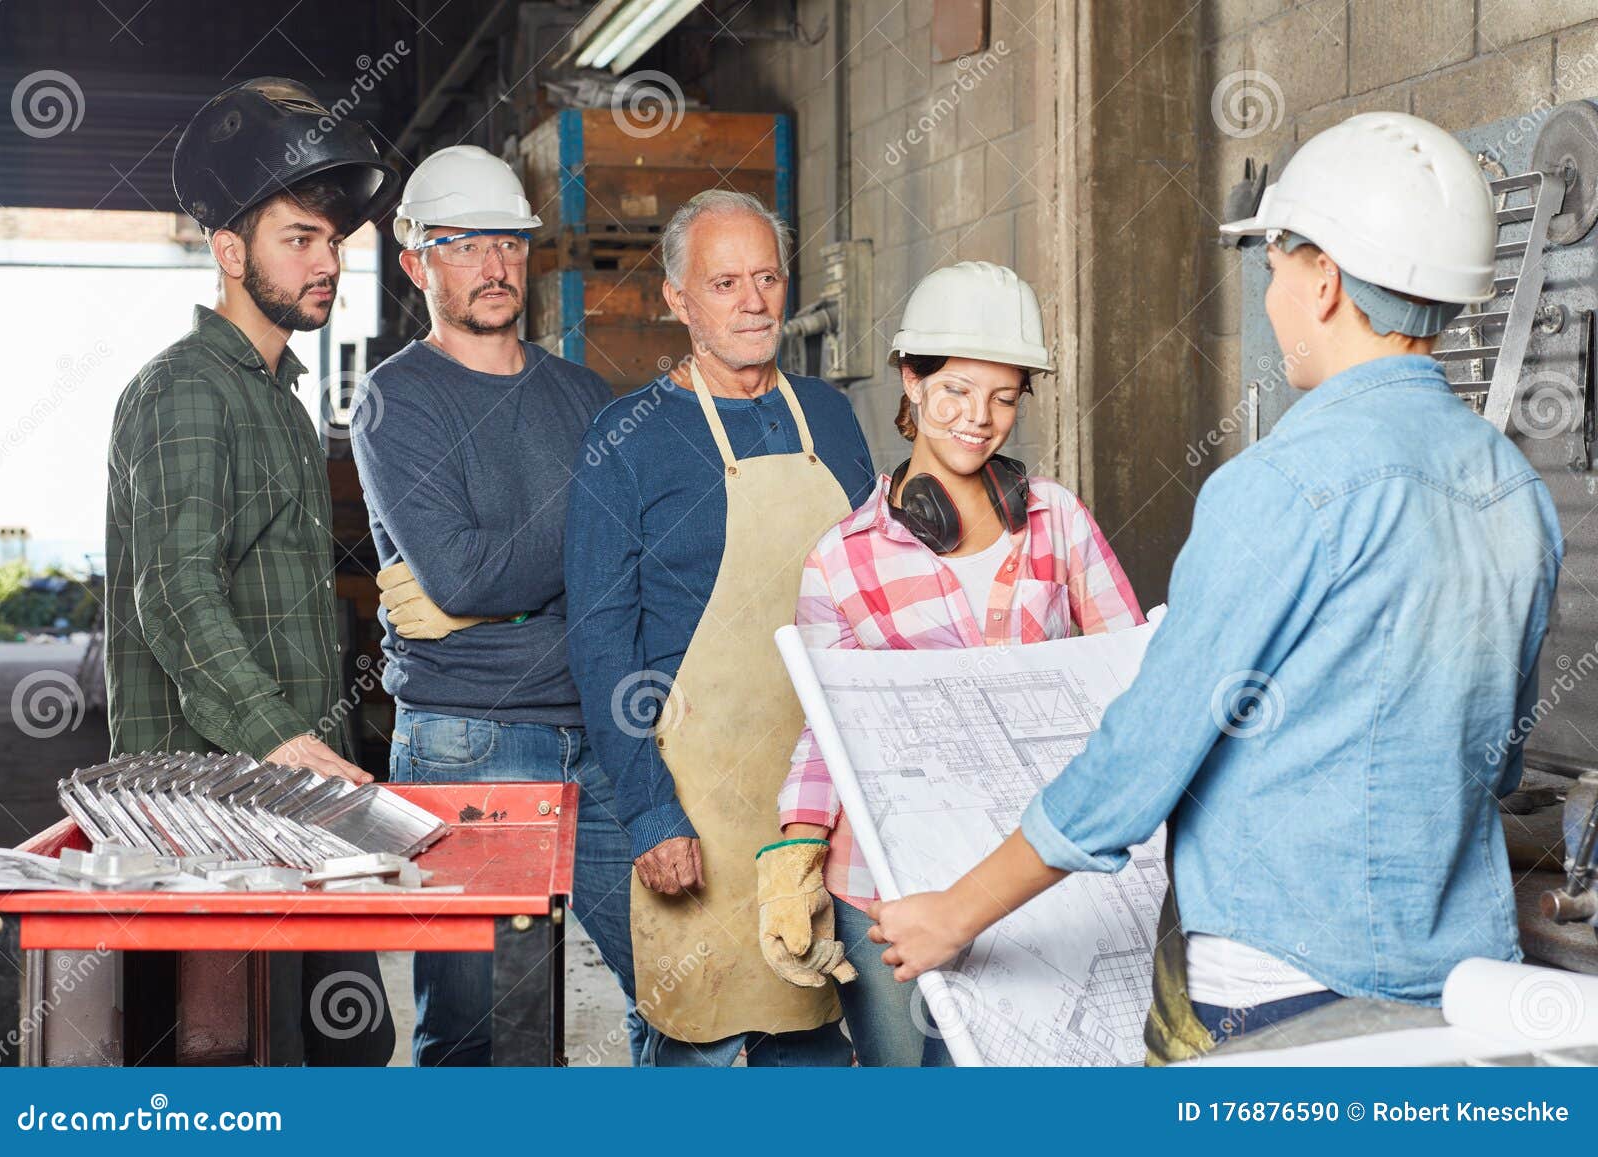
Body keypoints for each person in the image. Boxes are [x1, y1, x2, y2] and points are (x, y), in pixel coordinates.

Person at [867, 112, 1564, 1062]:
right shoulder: (1517, 492)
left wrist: (955, 912)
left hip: (1276, 1000)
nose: (1270, 294)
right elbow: (1500, 760)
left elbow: (1141, 760)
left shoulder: (1280, 484)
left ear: (1324, 281)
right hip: (1457, 992)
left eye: (1274, 265)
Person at [763, 262, 1144, 1065]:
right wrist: (796, 852)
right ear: (912, 379)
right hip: (887, 878)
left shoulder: (1058, 522)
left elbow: (1135, 676)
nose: (981, 419)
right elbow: (823, 726)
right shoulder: (843, 558)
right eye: (958, 391)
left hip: (1036, 871)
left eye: (1005, 398)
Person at [106, 78, 402, 1064]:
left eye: (333, 240)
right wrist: (280, 734)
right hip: (203, 821)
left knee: (344, 1049)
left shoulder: (282, 399)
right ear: (229, 252)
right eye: (299, 238)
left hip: (296, 813)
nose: (328, 262)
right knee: (217, 1069)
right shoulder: (184, 391)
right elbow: (175, 593)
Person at [565, 190, 874, 1066]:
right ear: (677, 299)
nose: (753, 301)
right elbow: (599, 646)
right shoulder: (624, 442)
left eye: (767, 277)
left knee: (817, 1045)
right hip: (699, 804)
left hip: (824, 798)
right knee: (700, 1047)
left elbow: (874, 592)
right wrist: (652, 812)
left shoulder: (833, 417)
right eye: (725, 281)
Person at [348, 144, 642, 1066]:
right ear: (417, 263)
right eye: (465, 244)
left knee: (677, 981)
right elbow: (467, 575)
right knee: (482, 1032)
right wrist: (585, 525)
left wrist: (502, 602)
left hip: (598, 730)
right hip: (467, 738)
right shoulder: (399, 399)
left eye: (509, 242)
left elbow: (622, 572)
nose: (494, 265)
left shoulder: (582, 391)